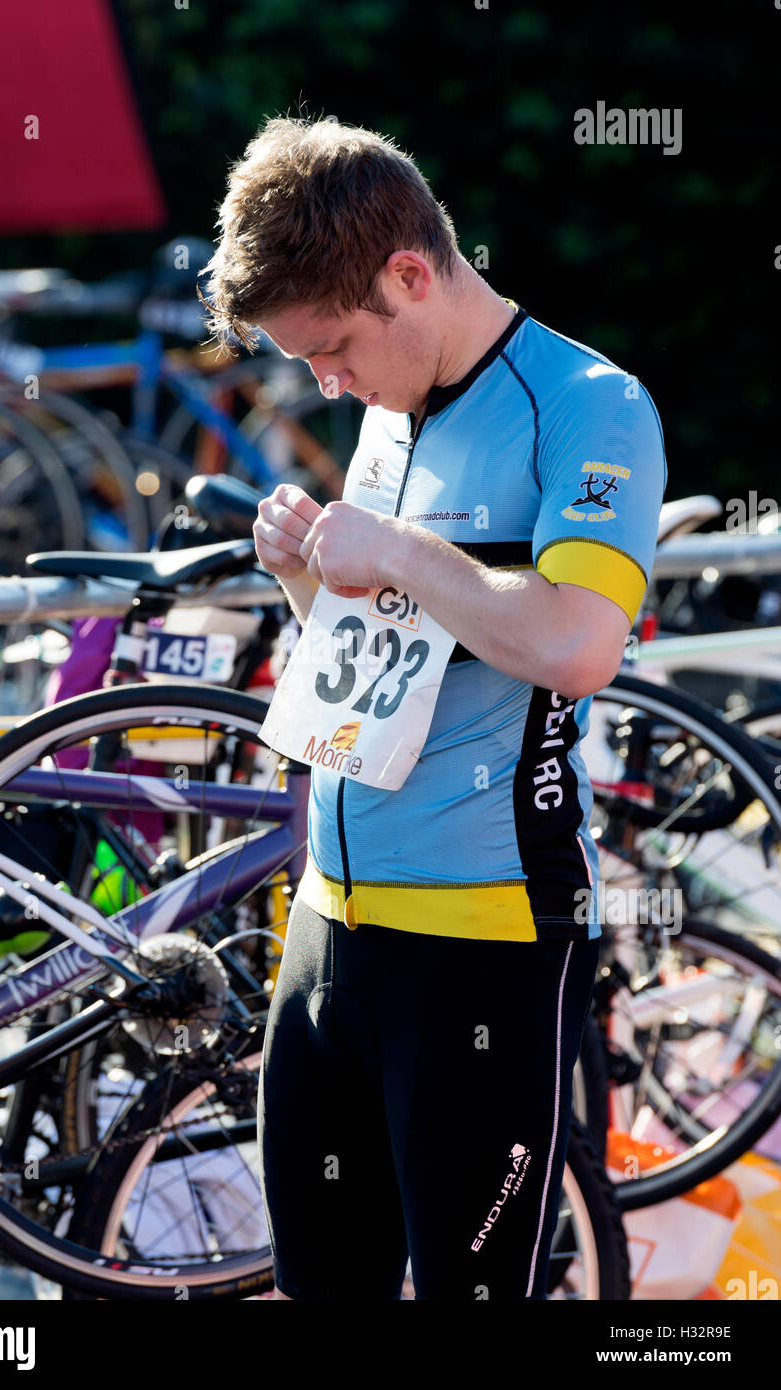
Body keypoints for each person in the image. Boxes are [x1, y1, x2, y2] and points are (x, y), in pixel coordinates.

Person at [201, 114, 667, 1300]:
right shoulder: (386, 409)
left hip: (481, 942)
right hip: (327, 927)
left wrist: (400, 550)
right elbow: (395, 669)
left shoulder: (591, 404)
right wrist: (308, 577)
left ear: (412, 274)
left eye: (335, 346)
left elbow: (574, 643)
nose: (324, 379)